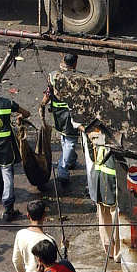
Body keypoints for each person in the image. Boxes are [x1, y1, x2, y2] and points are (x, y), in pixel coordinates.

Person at [41, 54, 80, 188]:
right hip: (71, 115)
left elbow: (48, 93)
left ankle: (71, 161)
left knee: (65, 138)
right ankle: (62, 169)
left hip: (58, 114)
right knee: (70, 141)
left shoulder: (53, 75)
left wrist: (42, 105)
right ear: (75, 64)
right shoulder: (79, 78)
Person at [85, 123, 121, 263]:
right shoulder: (113, 138)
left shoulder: (94, 136)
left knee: (103, 217)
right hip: (110, 183)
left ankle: (109, 250)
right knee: (115, 219)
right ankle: (117, 253)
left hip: (97, 181)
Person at [12, 200, 56, 272]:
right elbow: (55, 266)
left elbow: (16, 261)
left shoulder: (20, 234)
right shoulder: (50, 240)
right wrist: (64, 248)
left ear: (28, 215)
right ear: (44, 215)